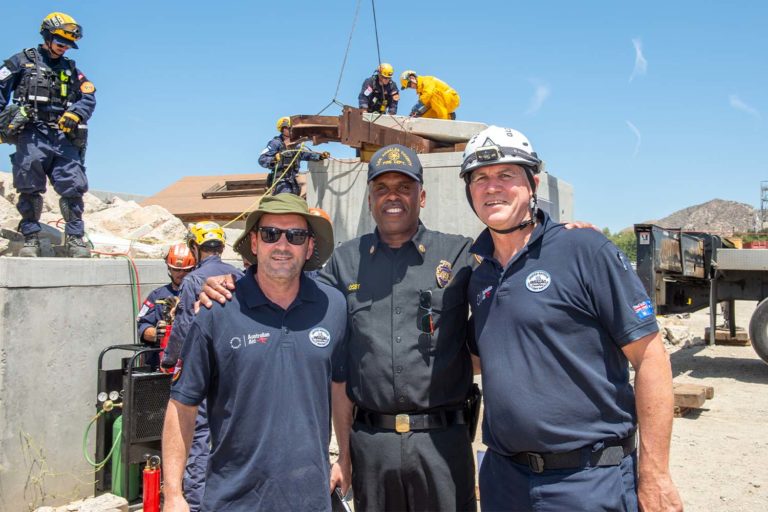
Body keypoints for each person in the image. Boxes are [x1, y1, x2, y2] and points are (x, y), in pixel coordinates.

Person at [201, 145, 480, 511]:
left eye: (404, 186)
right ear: (369, 199)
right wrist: (234, 283)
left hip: (443, 443)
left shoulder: (459, 255)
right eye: (381, 188)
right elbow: (286, 285)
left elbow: (509, 287)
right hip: (371, 445)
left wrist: (562, 239)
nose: (392, 196)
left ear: (422, 196)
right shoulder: (343, 263)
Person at [459, 126, 683, 511]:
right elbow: (483, 359)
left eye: (505, 175)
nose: (491, 186)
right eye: (479, 178)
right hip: (503, 481)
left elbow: (650, 357)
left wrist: (656, 474)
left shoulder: (584, 250)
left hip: (587, 482)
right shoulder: (479, 273)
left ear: (533, 184)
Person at [162, 194, 348, 511]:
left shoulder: (334, 306)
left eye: (296, 235)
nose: (282, 244)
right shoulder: (217, 309)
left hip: (310, 499)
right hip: (235, 500)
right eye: (270, 233)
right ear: (254, 242)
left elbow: (340, 386)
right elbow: (182, 405)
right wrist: (174, 494)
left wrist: (344, 455)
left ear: (310, 247)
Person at [160, 221, 243, 511]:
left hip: (204, 373)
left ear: (195, 248)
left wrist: (169, 362)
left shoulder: (195, 281)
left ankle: (195, 503)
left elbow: (183, 329)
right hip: (236, 372)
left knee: (197, 440)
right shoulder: (240, 275)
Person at [0, 12, 96, 257]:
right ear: (48, 36)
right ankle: (31, 238)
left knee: (73, 185)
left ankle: (75, 240)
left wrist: (76, 113)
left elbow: (88, 95)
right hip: (32, 133)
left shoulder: (71, 69)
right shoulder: (20, 62)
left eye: (68, 45)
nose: (64, 49)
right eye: (61, 43)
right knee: (29, 186)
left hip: (63, 135)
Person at [136, 243, 196, 367]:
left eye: (186, 270)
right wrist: (156, 333)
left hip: (190, 361)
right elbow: (142, 325)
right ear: (169, 268)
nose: (181, 273)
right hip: (161, 363)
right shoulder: (157, 295)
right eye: (177, 269)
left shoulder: (200, 295)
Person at [258, 116, 330, 196]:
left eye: (292, 128)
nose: (290, 130)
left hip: (293, 182)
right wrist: (274, 159)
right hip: (281, 182)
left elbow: (306, 154)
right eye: (288, 128)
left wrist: (320, 156)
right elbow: (262, 159)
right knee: (286, 201)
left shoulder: (296, 145)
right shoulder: (275, 143)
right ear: (282, 129)